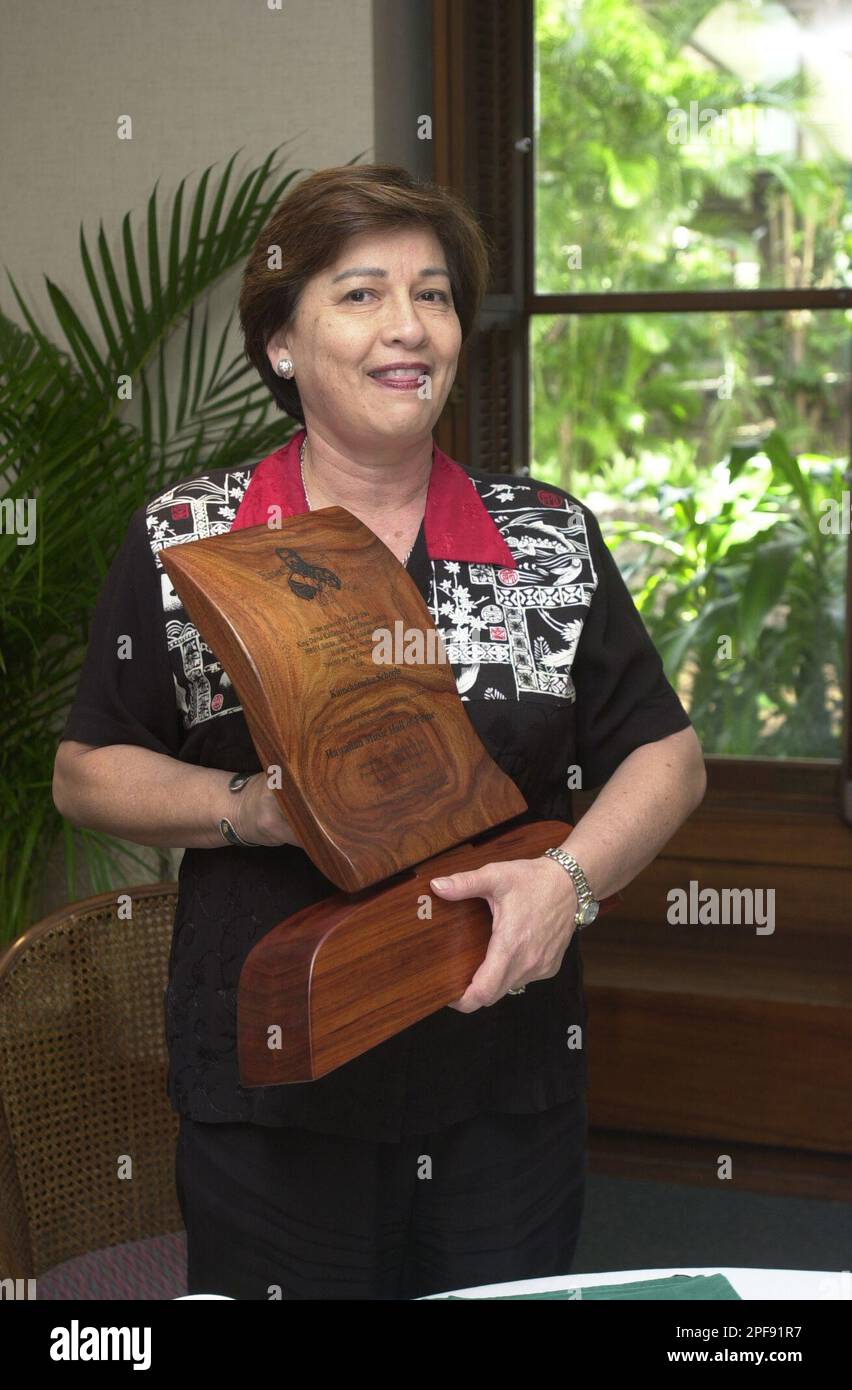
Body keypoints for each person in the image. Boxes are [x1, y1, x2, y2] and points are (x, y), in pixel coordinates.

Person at [52, 163, 706, 1301]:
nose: (410, 327)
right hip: (272, 1084)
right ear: (283, 345)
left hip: (503, 1076)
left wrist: (568, 880)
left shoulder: (545, 535)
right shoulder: (189, 539)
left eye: (436, 294)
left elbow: (666, 753)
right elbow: (86, 769)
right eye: (361, 294)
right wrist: (243, 808)